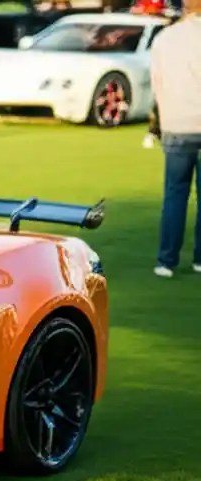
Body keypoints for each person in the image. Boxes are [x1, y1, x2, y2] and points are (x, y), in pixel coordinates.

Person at [149, 0, 201, 277]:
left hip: (177, 123)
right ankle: (200, 258)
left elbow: (157, 81)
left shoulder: (165, 38)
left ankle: (166, 260)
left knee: (175, 194)